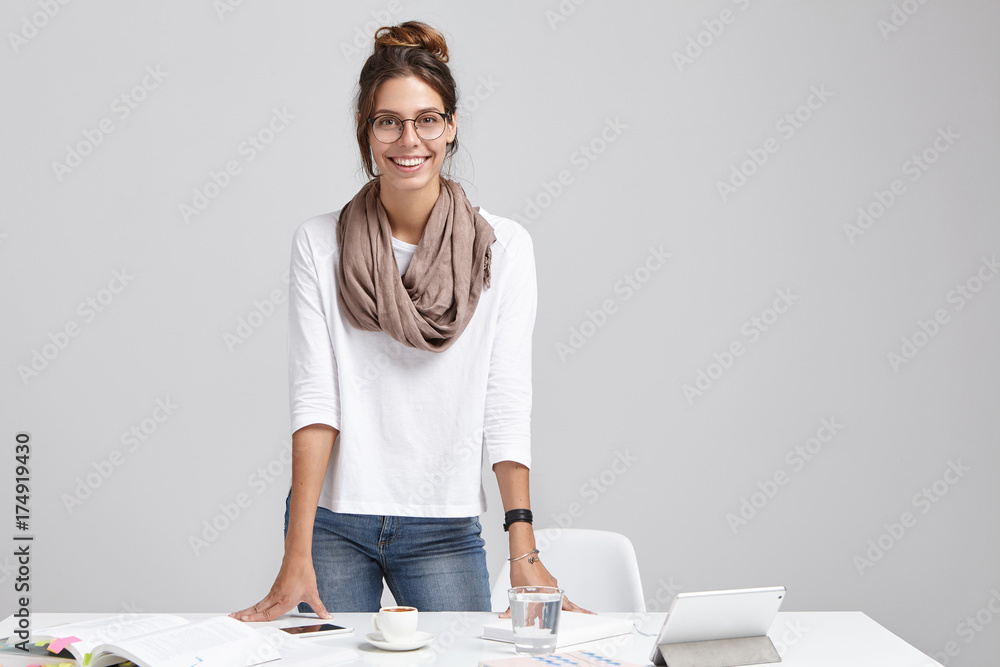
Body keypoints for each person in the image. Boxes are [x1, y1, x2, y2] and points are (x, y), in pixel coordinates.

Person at [231, 20, 587, 620]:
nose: (408, 139)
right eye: (388, 120)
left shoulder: (504, 246)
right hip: (333, 524)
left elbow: (505, 400)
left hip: (442, 524)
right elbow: (316, 400)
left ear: (450, 127)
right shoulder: (320, 244)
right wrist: (297, 549)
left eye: (427, 119)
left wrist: (523, 547)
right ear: (367, 132)